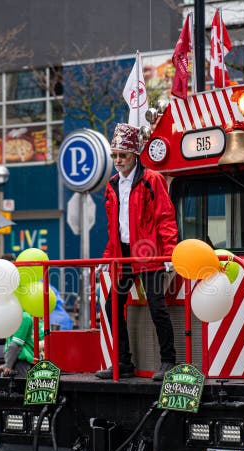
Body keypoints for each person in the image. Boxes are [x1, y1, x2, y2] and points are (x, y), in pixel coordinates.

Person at [96, 123, 179, 381]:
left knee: (157, 307)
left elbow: (165, 218)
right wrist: (106, 258)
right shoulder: (110, 185)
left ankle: (168, 361)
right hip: (123, 255)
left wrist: (169, 254)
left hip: (149, 254)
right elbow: (114, 227)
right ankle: (123, 362)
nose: (118, 160)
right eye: (115, 155)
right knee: (112, 306)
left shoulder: (152, 179)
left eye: (123, 155)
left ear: (134, 155)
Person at [0, 312, 44, 377]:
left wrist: (8, 365)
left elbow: (16, 345)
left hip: (22, 362)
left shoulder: (24, 317)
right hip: (15, 360)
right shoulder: (13, 317)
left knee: (22, 385)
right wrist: (7, 364)